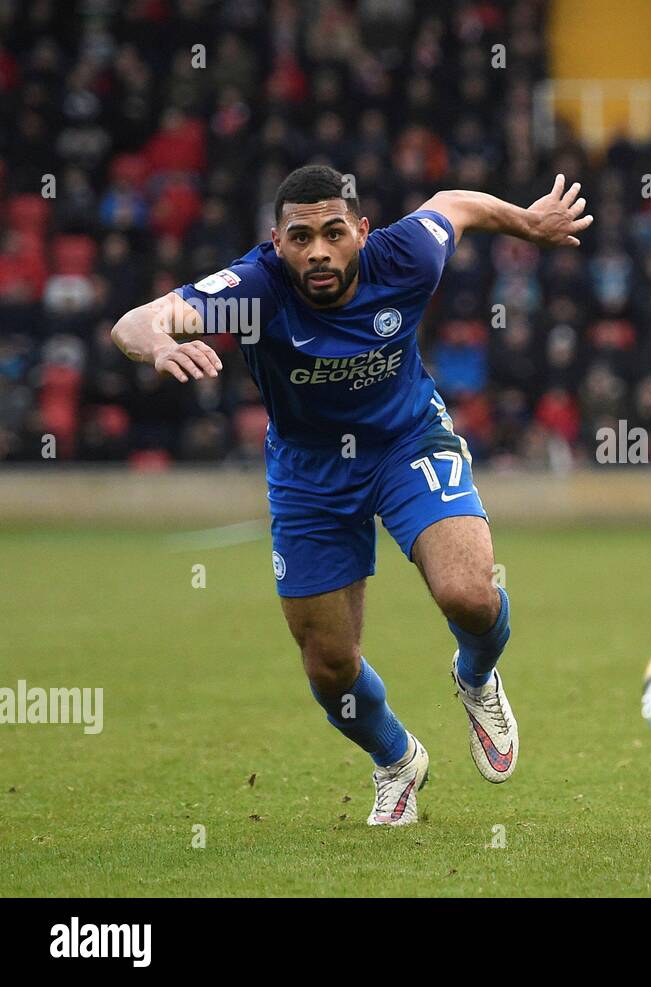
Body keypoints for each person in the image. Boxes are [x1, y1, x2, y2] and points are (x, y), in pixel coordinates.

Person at [110, 165, 592, 826]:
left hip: (406, 441)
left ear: (361, 232)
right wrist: (157, 343)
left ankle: (476, 675)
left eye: (333, 232)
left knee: (469, 593)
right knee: (330, 666)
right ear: (276, 242)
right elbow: (139, 319)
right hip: (309, 472)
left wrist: (529, 222)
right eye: (300, 236)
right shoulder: (255, 289)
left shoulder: (408, 254)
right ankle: (397, 760)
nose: (318, 251)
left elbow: (455, 203)